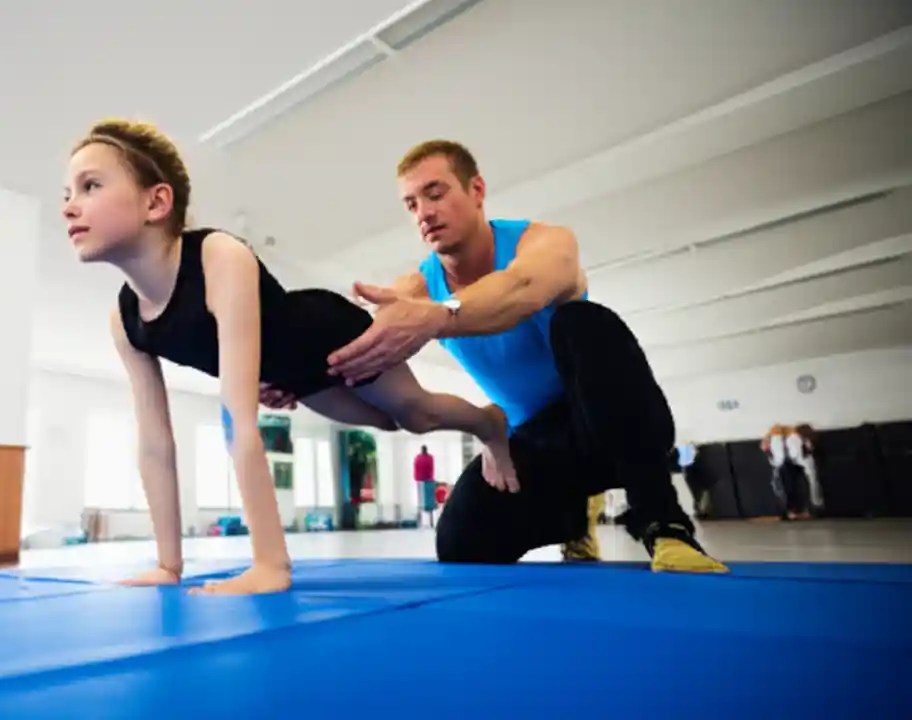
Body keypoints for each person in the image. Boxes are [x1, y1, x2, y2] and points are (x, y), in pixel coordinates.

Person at [62, 119, 512, 595]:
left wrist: (269, 565)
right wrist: (168, 566)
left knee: (415, 414)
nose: (69, 206)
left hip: (328, 335)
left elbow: (239, 418)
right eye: (66, 193)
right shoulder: (124, 317)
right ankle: (176, 561)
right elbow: (155, 442)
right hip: (292, 374)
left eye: (89, 186)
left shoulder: (218, 255)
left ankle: (489, 422)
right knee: (384, 425)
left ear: (156, 201)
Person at [261, 140, 727, 574]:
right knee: (462, 544)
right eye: (412, 204)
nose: (424, 212)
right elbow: (378, 388)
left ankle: (663, 523)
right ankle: (572, 518)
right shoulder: (415, 290)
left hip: (613, 424)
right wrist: (305, 380)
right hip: (536, 444)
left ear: (477, 189)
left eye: (435, 193)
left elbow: (519, 291)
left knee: (584, 322)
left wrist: (437, 317)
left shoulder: (544, 244)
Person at [414, 445, 437, 528]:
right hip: (422, 481)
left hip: (427, 481)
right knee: (422, 502)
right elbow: (416, 468)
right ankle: (421, 522)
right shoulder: (419, 458)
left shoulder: (428, 458)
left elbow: (431, 468)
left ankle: (430, 522)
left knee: (429, 503)